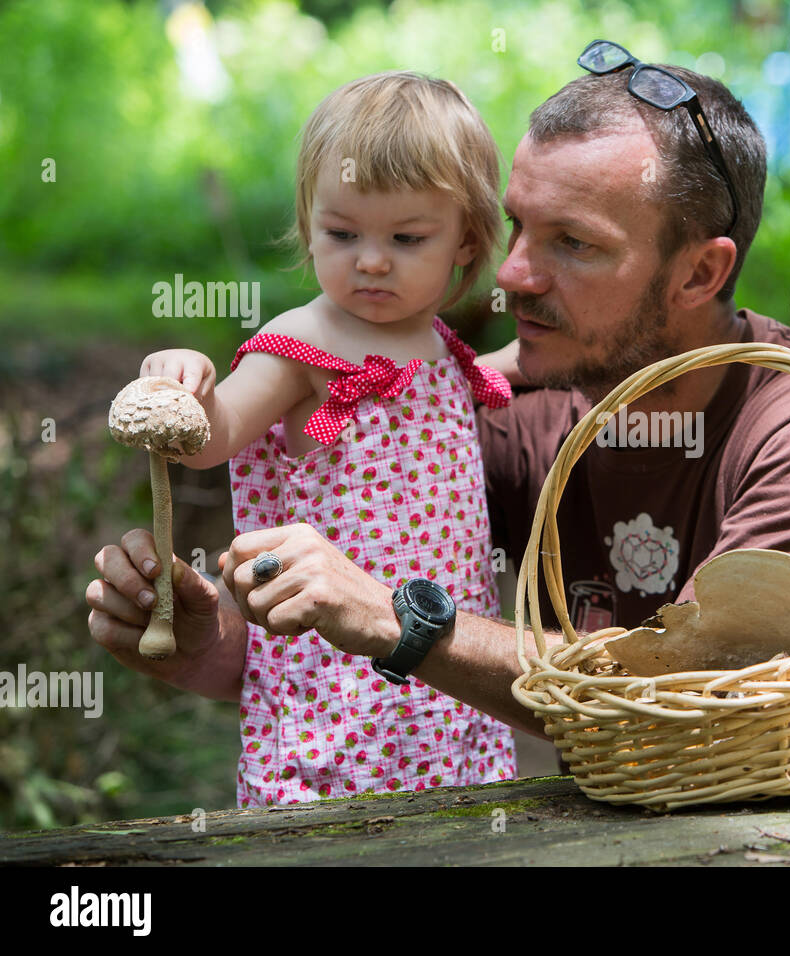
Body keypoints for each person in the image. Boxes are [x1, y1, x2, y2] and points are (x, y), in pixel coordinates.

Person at [87, 45, 790, 763]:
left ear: (699, 274)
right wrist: (210, 645)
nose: (513, 272)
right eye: (516, 226)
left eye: (575, 243)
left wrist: (401, 621)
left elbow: (703, 703)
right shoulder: (506, 401)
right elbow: (356, 644)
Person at [125, 72, 517, 805]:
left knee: (459, 827)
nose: (370, 260)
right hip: (336, 689)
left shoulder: (441, 347)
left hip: (443, 680)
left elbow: (472, 385)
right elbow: (214, 439)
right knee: (335, 834)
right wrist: (187, 387)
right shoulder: (302, 343)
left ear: (466, 237)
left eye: (406, 238)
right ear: (309, 221)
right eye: (342, 233)